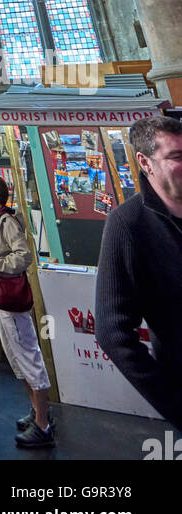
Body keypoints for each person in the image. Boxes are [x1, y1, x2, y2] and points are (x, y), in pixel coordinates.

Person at [95, 116, 182, 431]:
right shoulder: (127, 225)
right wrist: (175, 404)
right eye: (176, 157)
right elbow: (113, 333)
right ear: (145, 162)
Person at [0, 174, 53, 448]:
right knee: (17, 359)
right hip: (1, 299)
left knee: (29, 357)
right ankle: (37, 411)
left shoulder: (6, 222)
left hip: (12, 299)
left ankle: (43, 425)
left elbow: (23, 257)